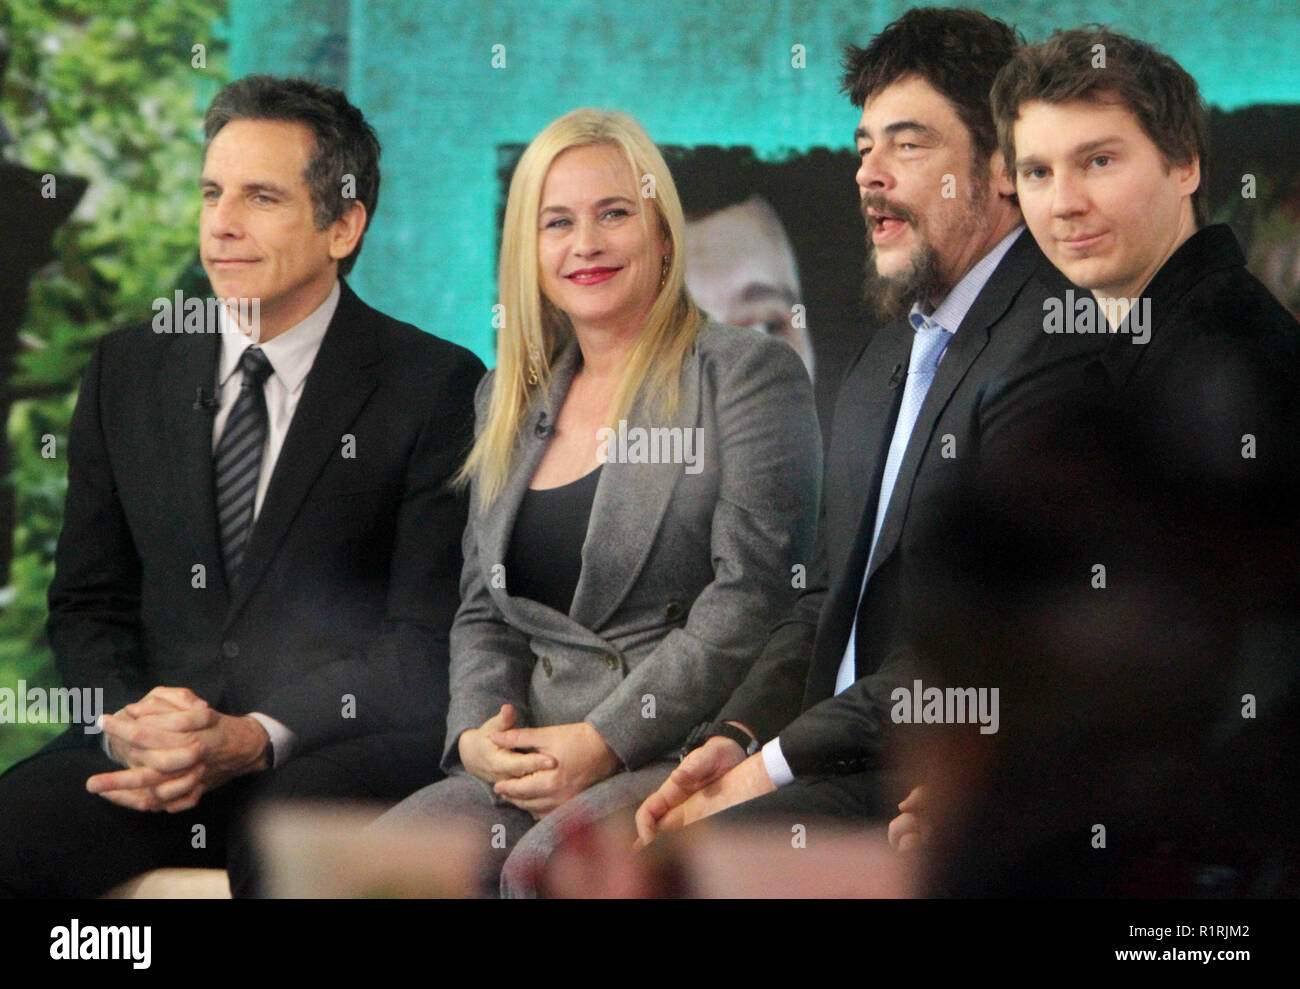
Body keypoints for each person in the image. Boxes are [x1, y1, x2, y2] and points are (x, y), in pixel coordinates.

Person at [0, 75, 485, 898]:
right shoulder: (128, 367)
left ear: (343, 224)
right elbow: (89, 601)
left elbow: (421, 642)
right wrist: (132, 728)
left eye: (260, 197)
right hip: (151, 750)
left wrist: (255, 735)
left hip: (325, 750)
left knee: (289, 852)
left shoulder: (434, 384)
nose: (220, 225)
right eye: (212, 193)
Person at [634, 6, 1108, 844]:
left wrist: (765, 770)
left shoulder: (1059, 342)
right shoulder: (886, 352)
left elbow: (983, 645)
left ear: (1002, 167)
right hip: (831, 759)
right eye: (863, 149)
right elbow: (823, 602)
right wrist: (733, 737)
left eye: (908, 144)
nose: (869, 174)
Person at [880, 25, 1300, 894]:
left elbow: (1213, 695)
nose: (1063, 202)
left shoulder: (1226, 364)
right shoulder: (1144, 344)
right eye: (1037, 172)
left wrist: (1004, 807)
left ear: (1186, 165)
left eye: (1099, 161)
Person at [374, 107, 821, 897]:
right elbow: (485, 607)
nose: (586, 244)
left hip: (678, 742)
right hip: (533, 752)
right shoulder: (506, 398)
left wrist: (604, 739)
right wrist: (479, 734)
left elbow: (753, 593)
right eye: (558, 222)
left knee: (544, 870)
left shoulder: (747, 372)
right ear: (530, 250)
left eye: (614, 214)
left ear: (661, 233)